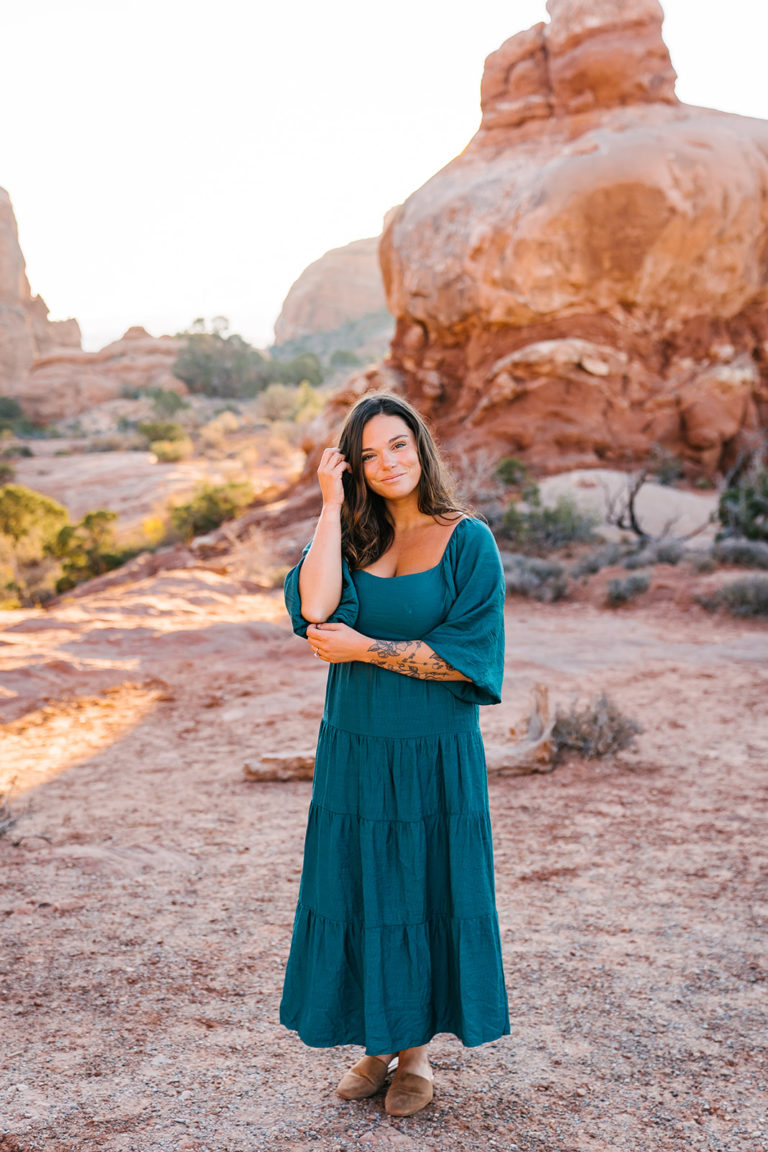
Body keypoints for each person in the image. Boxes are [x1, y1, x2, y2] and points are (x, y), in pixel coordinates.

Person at [280, 392, 509, 1117]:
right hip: (354, 748)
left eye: (399, 446)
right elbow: (316, 611)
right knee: (363, 889)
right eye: (370, 454)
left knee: (424, 889)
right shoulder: (347, 539)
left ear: (422, 447)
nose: (388, 464)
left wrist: (367, 648)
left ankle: (415, 1056)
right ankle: (377, 1044)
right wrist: (327, 504)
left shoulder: (468, 540)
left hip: (434, 752)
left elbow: (467, 658)